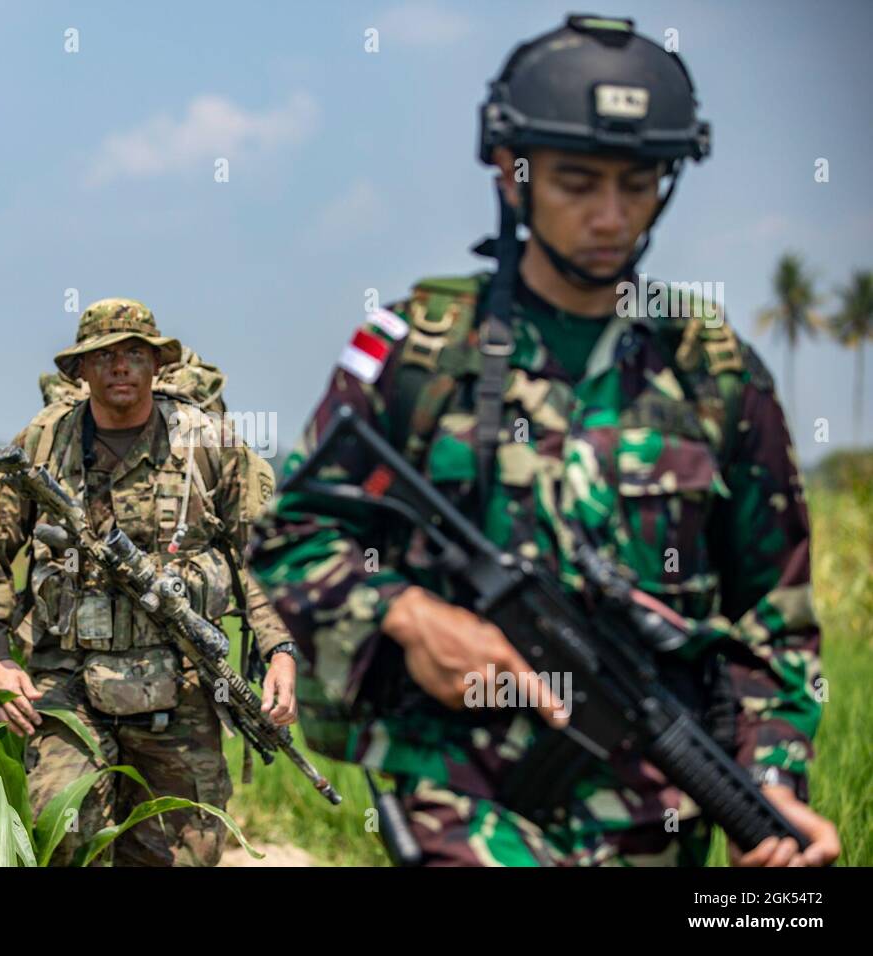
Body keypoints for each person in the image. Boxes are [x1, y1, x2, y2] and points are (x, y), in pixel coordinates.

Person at [248, 14, 839, 867]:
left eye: (638, 185)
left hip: (659, 807)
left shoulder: (714, 373)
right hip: (459, 792)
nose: (610, 215)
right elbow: (290, 542)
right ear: (510, 173)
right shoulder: (420, 350)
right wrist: (408, 616)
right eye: (576, 182)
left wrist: (771, 780)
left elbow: (773, 624)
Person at [0, 298, 295, 866]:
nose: (119, 367)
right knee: (58, 831)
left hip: (180, 672)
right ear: (80, 371)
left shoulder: (209, 445)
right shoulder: (43, 441)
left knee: (185, 853)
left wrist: (279, 649)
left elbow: (259, 556)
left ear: (156, 365)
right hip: (66, 676)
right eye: (104, 355)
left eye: (134, 353)